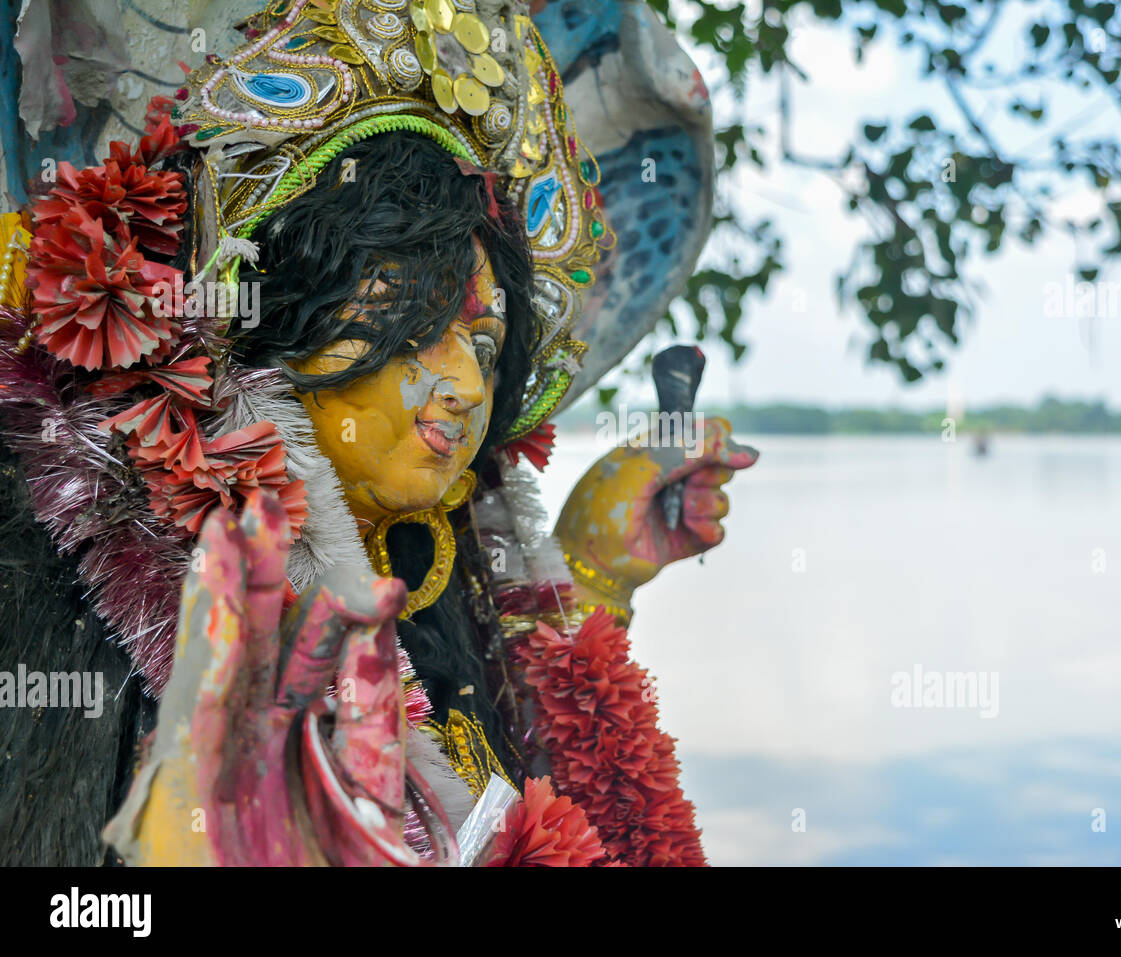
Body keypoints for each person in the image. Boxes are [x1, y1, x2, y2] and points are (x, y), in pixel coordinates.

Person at [0, 0, 755, 866]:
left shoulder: (438, 602)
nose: (466, 385)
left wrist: (590, 565)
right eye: (417, 316)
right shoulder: (95, 577)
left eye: (483, 342)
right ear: (273, 317)